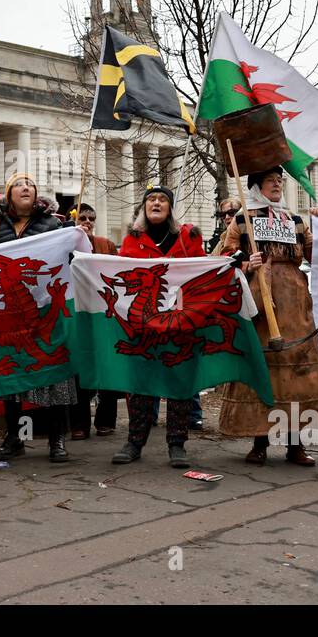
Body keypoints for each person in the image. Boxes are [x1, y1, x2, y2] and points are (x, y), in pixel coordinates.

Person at [215, 165, 318, 467]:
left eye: (279, 181)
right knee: (265, 369)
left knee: (295, 372)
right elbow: (222, 258)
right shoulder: (242, 220)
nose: (277, 185)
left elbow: (315, 255)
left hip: (295, 302)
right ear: (256, 185)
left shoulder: (294, 220)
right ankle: (260, 440)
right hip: (260, 302)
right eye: (271, 181)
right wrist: (246, 262)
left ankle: (296, 444)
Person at [0, 173, 74, 462]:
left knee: (54, 373)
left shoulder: (51, 223)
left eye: (31, 185)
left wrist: (69, 238)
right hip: (11, 315)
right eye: (19, 184)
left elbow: (65, 261)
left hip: (44, 307)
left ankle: (56, 439)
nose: (26, 188)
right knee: (13, 379)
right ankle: (17, 438)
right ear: (8, 194)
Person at [110, 186, 206, 469]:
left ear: (170, 207)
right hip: (144, 328)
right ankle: (134, 442)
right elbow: (121, 273)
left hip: (179, 323)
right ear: (143, 207)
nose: (156, 202)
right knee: (139, 385)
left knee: (179, 383)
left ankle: (177, 444)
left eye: (162, 199)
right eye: (151, 199)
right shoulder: (132, 238)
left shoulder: (188, 236)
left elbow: (202, 268)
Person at [70, 202, 120, 439]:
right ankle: (79, 423)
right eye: (82, 218)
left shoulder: (106, 245)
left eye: (91, 218)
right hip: (78, 313)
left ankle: (106, 420)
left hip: (104, 311)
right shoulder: (66, 244)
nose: (87, 222)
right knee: (80, 368)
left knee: (108, 365)